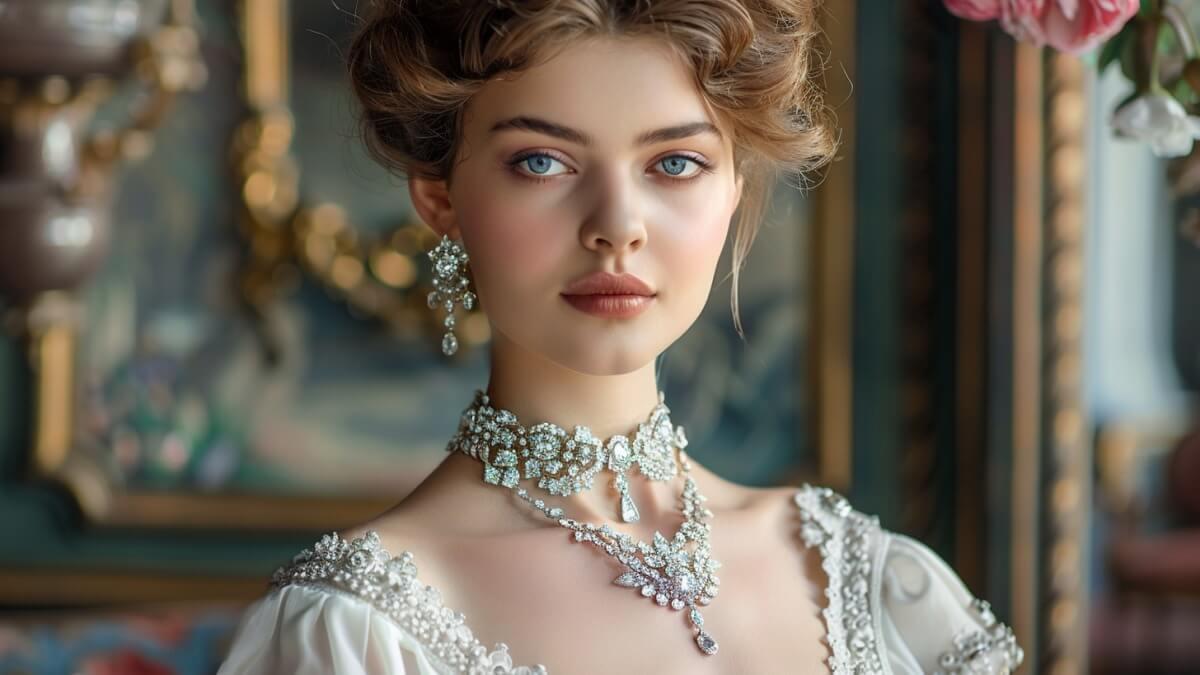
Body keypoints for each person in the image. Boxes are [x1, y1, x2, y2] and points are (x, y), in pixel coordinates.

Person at [218, 1, 1023, 673]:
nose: (616, 228)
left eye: (673, 164)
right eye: (541, 162)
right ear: (439, 195)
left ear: (736, 187)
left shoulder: (871, 582)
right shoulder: (355, 631)